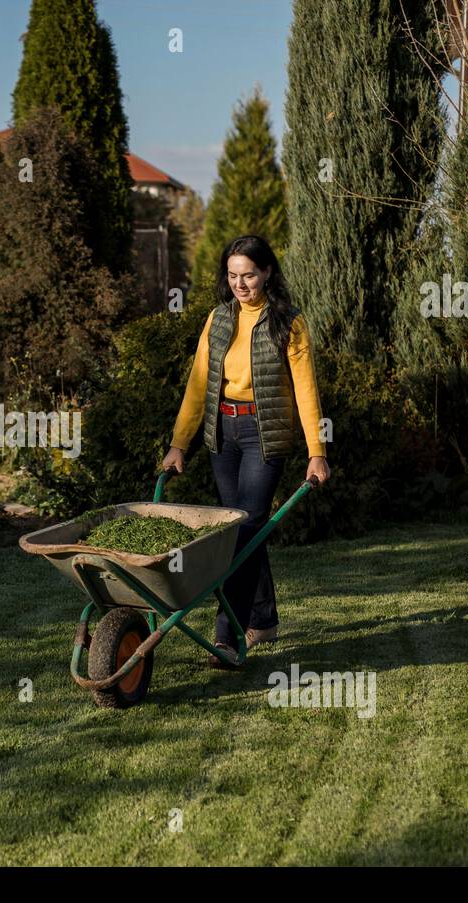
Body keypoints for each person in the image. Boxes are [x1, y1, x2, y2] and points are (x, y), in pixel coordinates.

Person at [161, 235, 330, 666]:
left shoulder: (288, 323)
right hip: (223, 435)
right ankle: (264, 620)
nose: (240, 284)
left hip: (264, 434)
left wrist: (317, 451)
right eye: (233, 276)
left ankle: (227, 637)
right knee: (241, 532)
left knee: (242, 533)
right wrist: (180, 444)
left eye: (249, 275)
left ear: (268, 272)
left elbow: (306, 392)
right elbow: (198, 385)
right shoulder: (218, 320)